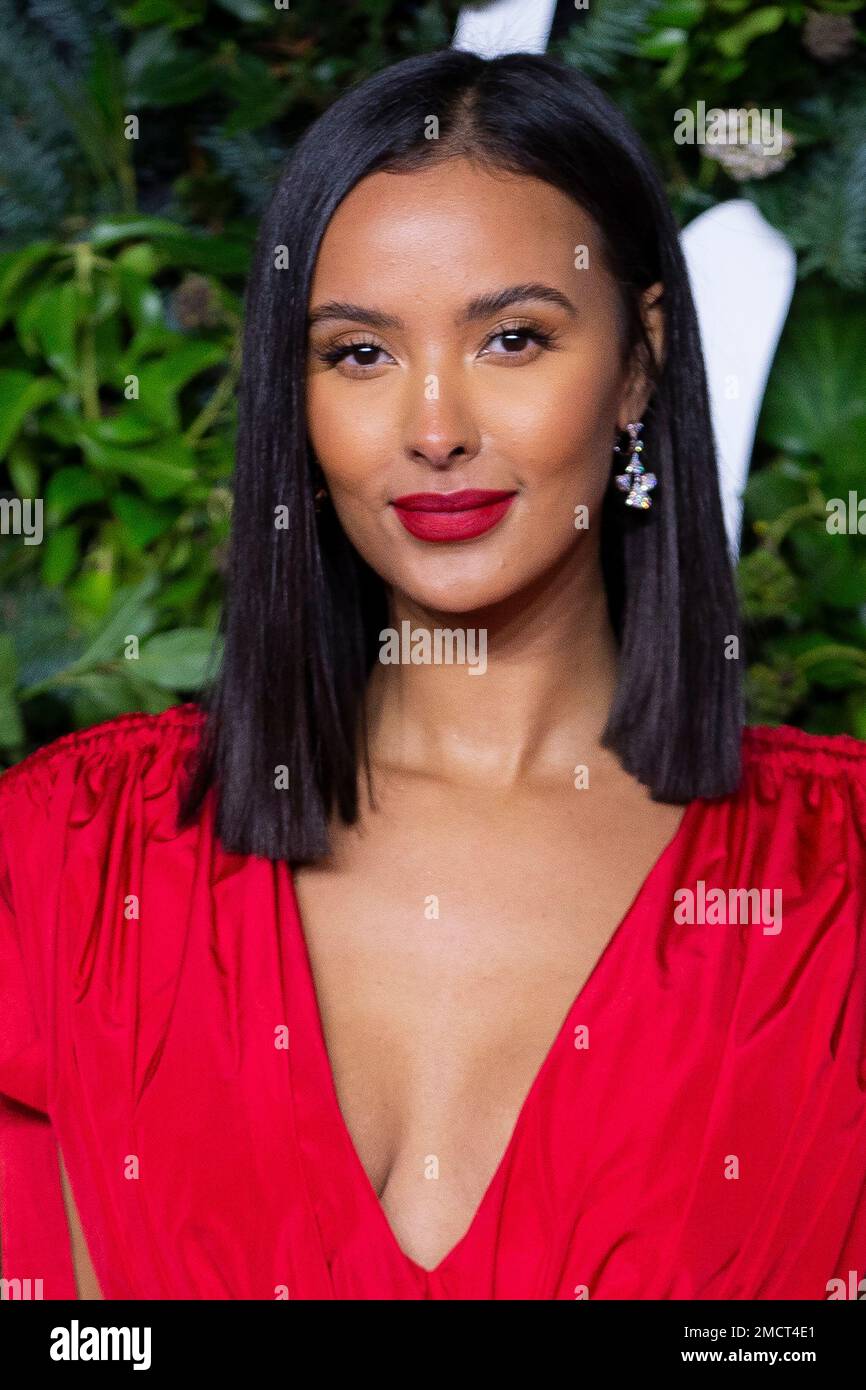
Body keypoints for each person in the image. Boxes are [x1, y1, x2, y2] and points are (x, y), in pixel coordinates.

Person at [1, 48, 864, 1303]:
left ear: (637, 361)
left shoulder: (834, 886)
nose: (433, 426)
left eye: (512, 337)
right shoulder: (76, 863)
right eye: (358, 354)